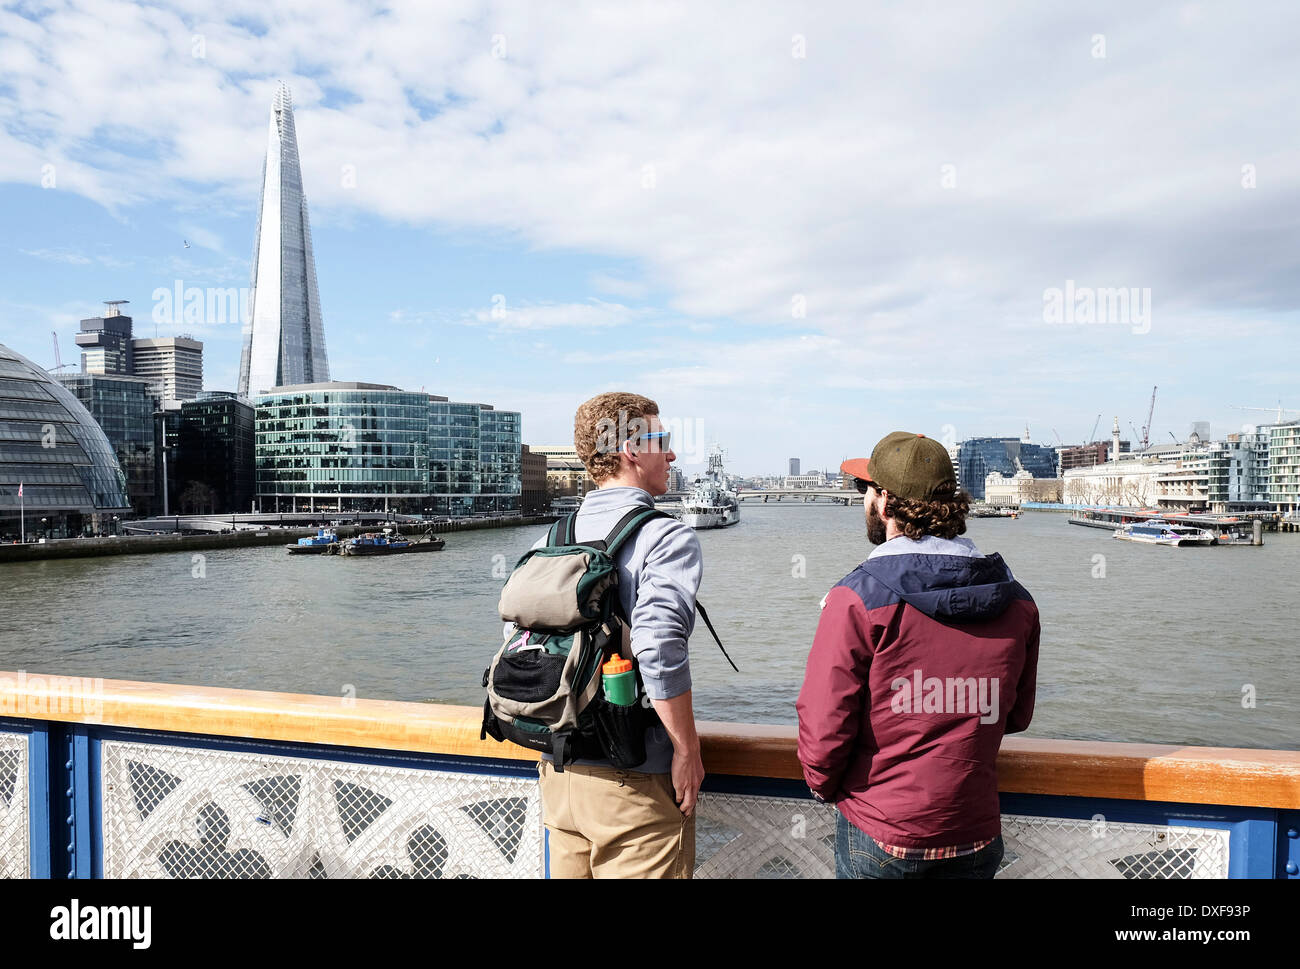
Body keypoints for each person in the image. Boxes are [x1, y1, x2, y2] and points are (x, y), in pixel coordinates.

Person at [796, 431, 1040, 879]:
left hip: (883, 830)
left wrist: (826, 787)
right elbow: (1015, 715)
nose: (864, 501)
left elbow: (825, 721)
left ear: (885, 501)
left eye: (865, 489)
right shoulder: (1017, 601)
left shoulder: (858, 598)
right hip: (975, 832)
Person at [532, 391, 703, 878]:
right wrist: (687, 749)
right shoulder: (665, 536)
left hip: (558, 777)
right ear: (631, 450)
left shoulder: (549, 538)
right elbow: (658, 645)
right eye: (662, 441)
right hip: (635, 783)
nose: (670, 454)